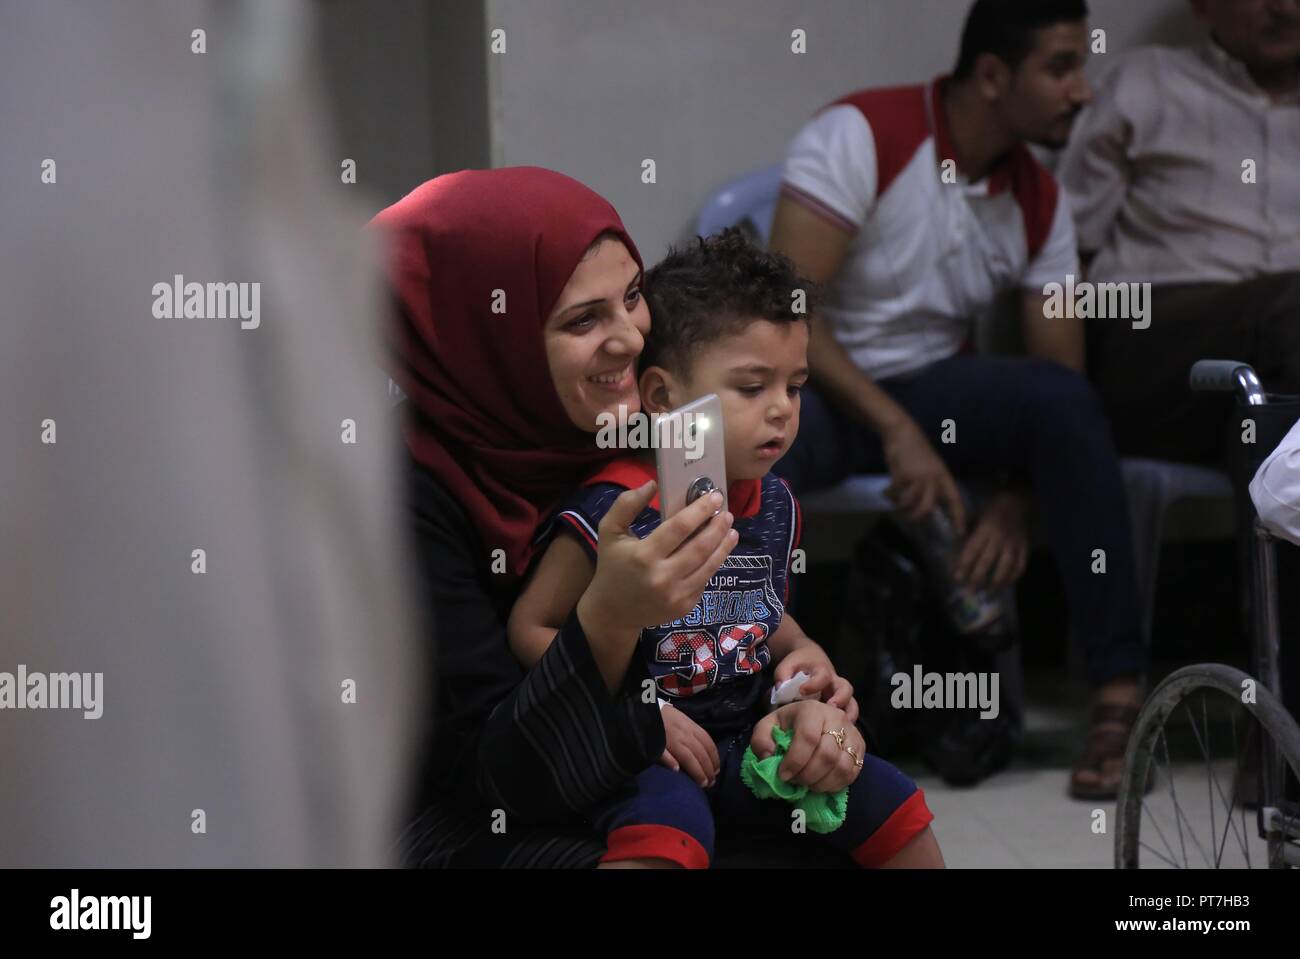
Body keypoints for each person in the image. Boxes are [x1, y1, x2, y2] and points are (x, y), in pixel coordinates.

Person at [375, 167, 901, 867]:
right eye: (583, 319)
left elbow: (727, 628)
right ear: (492, 332)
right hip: (470, 813)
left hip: (642, 765)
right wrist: (610, 625)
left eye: (632, 298)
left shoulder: (638, 429)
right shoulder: (404, 497)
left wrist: (794, 702)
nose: (630, 339)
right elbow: (494, 773)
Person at [767, 0, 1146, 799]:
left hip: (935, 386)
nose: (1083, 90)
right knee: (757, 451)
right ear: (992, 76)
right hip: (821, 381)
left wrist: (1015, 498)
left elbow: (1060, 375)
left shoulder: (1039, 197)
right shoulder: (862, 137)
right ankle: (759, 703)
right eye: (1061, 66)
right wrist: (899, 429)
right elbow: (786, 320)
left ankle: (1118, 696)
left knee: (1064, 405)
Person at [507, 231, 943, 868]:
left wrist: (803, 655)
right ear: (662, 397)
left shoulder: (775, 503)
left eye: (794, 387)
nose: (781, 412)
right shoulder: (617, 507)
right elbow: (531, 626)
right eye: (751, 387)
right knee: (668, 833)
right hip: (645, 753)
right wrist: (634, 716)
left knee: (889, 800)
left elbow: (760, 613)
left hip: (748, 741)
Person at [1058, 0, 1300, 466]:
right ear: (1203, 6)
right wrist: (1060, 411)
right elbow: (1062, 255)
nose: (1285, 7)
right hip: (1155, 339)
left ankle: (1271, 529)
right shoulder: (1145, 82)